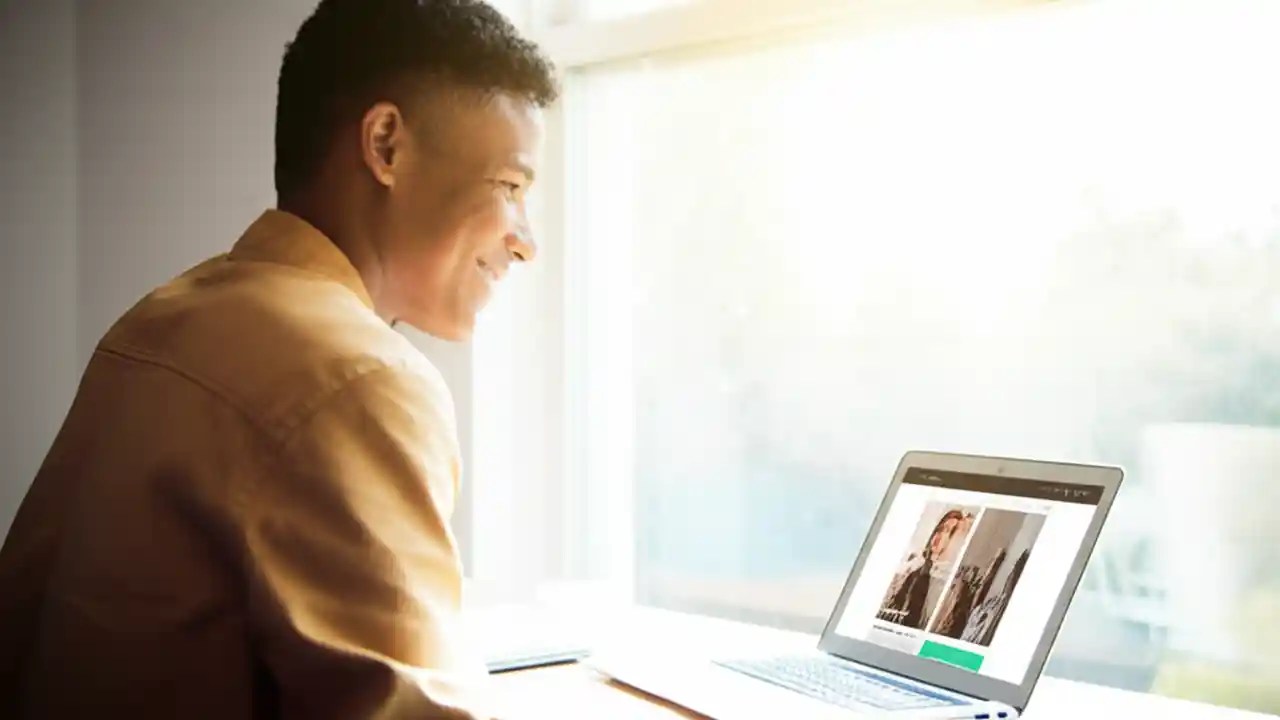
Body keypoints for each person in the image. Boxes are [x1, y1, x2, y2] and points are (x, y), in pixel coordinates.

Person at [0, 1, 557, 717]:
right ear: (386, 144)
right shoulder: (356, 377)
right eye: (510, 187)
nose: (525, 240)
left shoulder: (159, 320)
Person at [879, 508, 970, 629]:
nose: (938, 536)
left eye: (948, 532)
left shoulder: (955, 586)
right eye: (940, 529)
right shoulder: (914, 571)